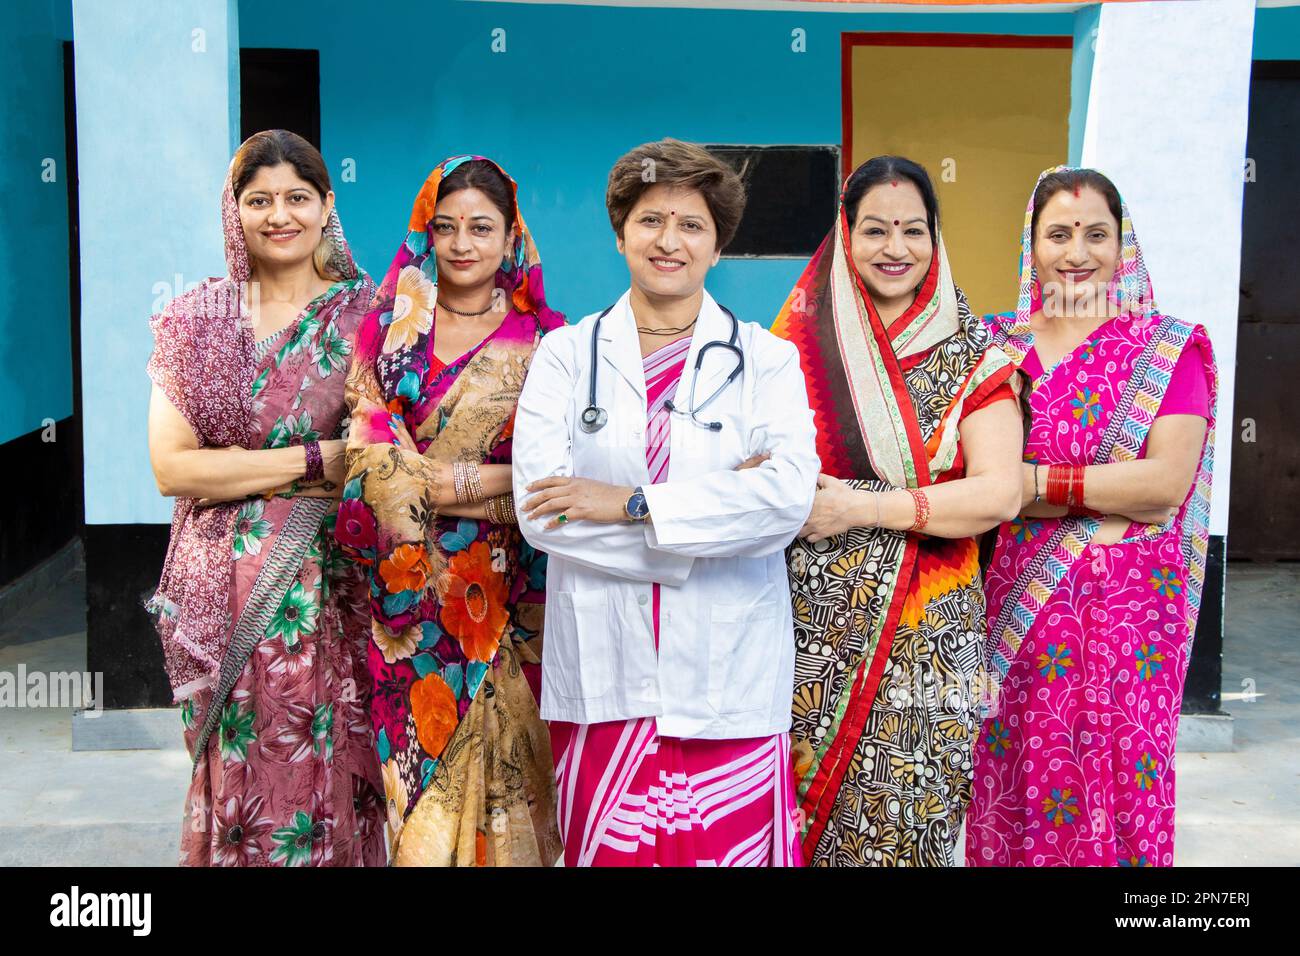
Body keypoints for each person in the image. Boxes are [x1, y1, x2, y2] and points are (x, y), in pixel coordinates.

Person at [513, 138, 819, 866]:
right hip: (605, 681)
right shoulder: (566, 355)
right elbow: (541, 509)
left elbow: (785, 500)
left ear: (717, 247)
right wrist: (715, 518)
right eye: (651, 220)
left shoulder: (766, 360)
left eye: (692, 225)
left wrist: (630, 504)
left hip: (729, 683)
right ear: (621, 234)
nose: (669, 241)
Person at [772, 155, 1023, 866]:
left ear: (935, 241)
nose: (895, 248)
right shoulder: (791, 348)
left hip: (929, 631)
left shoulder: (977, 357)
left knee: (912, 809)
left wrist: (861, 507)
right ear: (845, 236)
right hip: (807, 625)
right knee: (804, 808)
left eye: (913, 230)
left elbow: (998, 493)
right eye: (875, 229)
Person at [146, 129, 384, 866]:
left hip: (333, 596)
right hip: (226, 599)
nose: (278, 215)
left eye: (296, 198)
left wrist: (240, 467)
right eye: (258, 200)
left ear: (326, 206)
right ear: (234, 209)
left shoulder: (370, 317)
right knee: (244, 785)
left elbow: (374, 463)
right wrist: (313, 458)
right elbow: (173, 469)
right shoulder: (199, 319)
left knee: (330, 770)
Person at [967, 167, 1216, 867]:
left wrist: (1032, 482)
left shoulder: (1169, 349)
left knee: (1123, 769)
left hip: (1131, 612)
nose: (1077, 253)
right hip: (1018, 604)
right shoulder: (993, 345)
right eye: (1059, 234)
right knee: (1019, 770)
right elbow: (979, 480)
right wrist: (1104, 488)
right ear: (1032, 245)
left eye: (1096, 234)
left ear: (1122, 245)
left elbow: (1164, 484)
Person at [338, 156, 564, 866]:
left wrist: (446, 482)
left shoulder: (549, 341)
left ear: (511, 238)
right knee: (418, 787)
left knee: (510, 765)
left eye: (481, 227)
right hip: (404, 601)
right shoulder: (389, 333)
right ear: (425, 235)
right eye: (446, 227)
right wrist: (437, 484)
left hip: (509, 590)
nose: (463, 243)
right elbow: (365, 442)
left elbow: (555, 475)